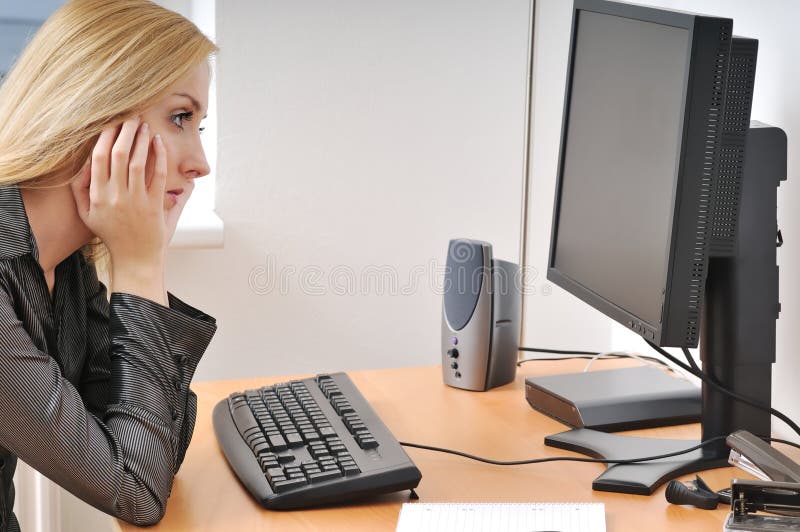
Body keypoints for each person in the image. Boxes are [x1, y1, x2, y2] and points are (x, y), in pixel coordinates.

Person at [0, 0, 218, 529]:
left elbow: (155, 450)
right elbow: (137, 493)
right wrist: (141, 266)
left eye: (198, 126)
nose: (200, 164)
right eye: (180, 118)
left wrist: (145, 263)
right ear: (94, 111)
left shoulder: (64, 265)